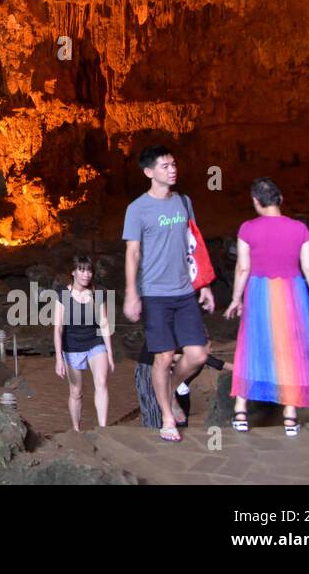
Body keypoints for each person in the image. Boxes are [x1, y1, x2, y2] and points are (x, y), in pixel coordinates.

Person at [224, 178, 309, 436]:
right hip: (293, 292)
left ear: (255, 202)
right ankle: (290, 416)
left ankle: (240, 411)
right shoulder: (299, 229)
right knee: (291, 348)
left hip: (259, 292)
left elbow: (242, 268)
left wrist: (236, 299)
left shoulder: (247, 229)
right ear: (280, 199)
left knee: (252, 345)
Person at [122, 145, 215, 442]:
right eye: (165, 166)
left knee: (198, 355)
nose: (172, 169)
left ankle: (171, 388)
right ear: (149, 172)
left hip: (184, 291)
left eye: (173, 164)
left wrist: (205, 285)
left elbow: (194, 245)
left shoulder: (184, 202)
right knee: (162, 357)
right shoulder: (137, 209)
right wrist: (131, 293)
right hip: (155, 294)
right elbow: (133, 253)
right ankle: (166, 417)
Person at [54, 256, 115, 431]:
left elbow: (103, 323)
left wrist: (110, 354)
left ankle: (103, 429)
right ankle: (76, 430)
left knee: (102, 382)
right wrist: (59, 358)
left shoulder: (98, 294)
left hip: (95, 343)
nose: (86, 274)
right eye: (81, 269)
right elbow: (58, 329)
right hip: (71, 346)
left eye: (89, 270)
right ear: (73, 272)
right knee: (76, 392)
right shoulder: (63, 295)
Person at [134, 343, 226, 428]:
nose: (211, 350)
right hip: (154, 370)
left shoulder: (193, 351)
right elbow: (164, 358)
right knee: (154, 418)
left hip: (177, 386)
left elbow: (213, 361)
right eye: (209, 347)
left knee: (181, 422)